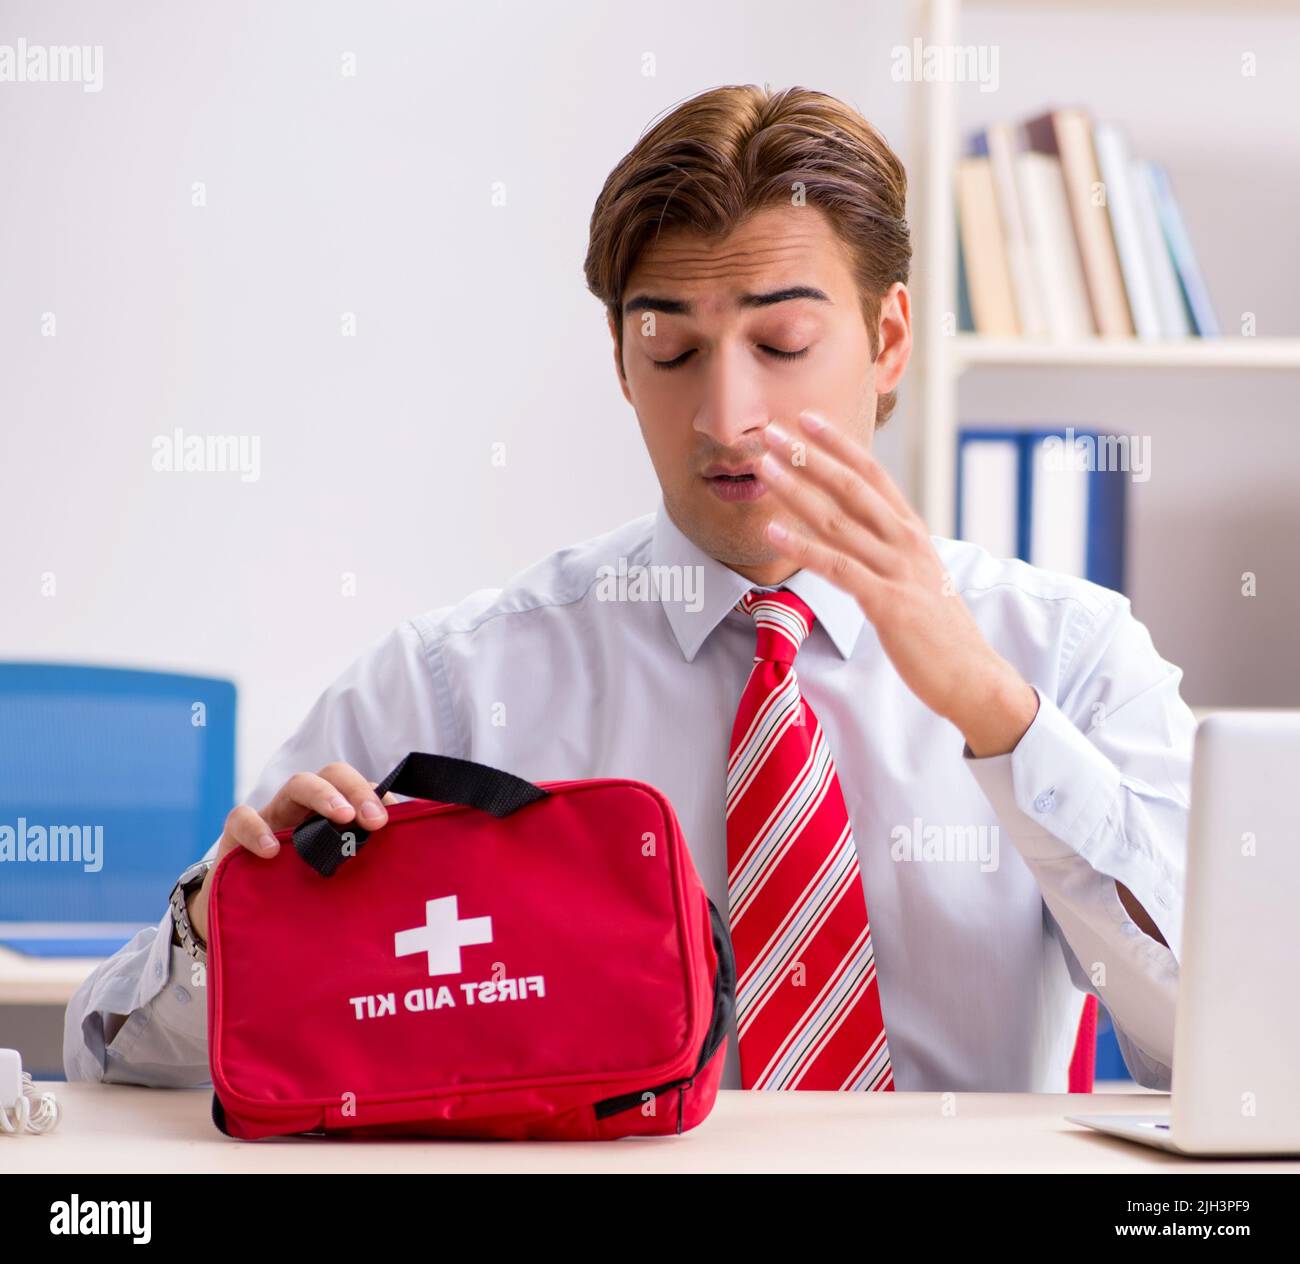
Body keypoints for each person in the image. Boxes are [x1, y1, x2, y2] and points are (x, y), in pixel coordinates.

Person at [64, 84, 1189, 1093]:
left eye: (783, 341)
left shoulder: (1067, 654)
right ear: (618, 360)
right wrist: (229, 925)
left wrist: (1002, 719)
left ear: (889, 339)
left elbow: (1216, 1050)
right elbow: (109, 1053)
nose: (724, 415)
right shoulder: (456, 683)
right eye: (671, 350)